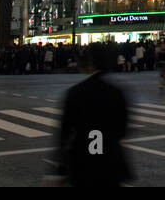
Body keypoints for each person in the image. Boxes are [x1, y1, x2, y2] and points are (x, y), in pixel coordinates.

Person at [54, 43, 131, 187]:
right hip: (110, 163)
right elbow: (122, 129)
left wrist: (58, 171)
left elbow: (64, 134)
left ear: (89, 63)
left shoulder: (76, 92)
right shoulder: (115, 91)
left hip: (83, 163)